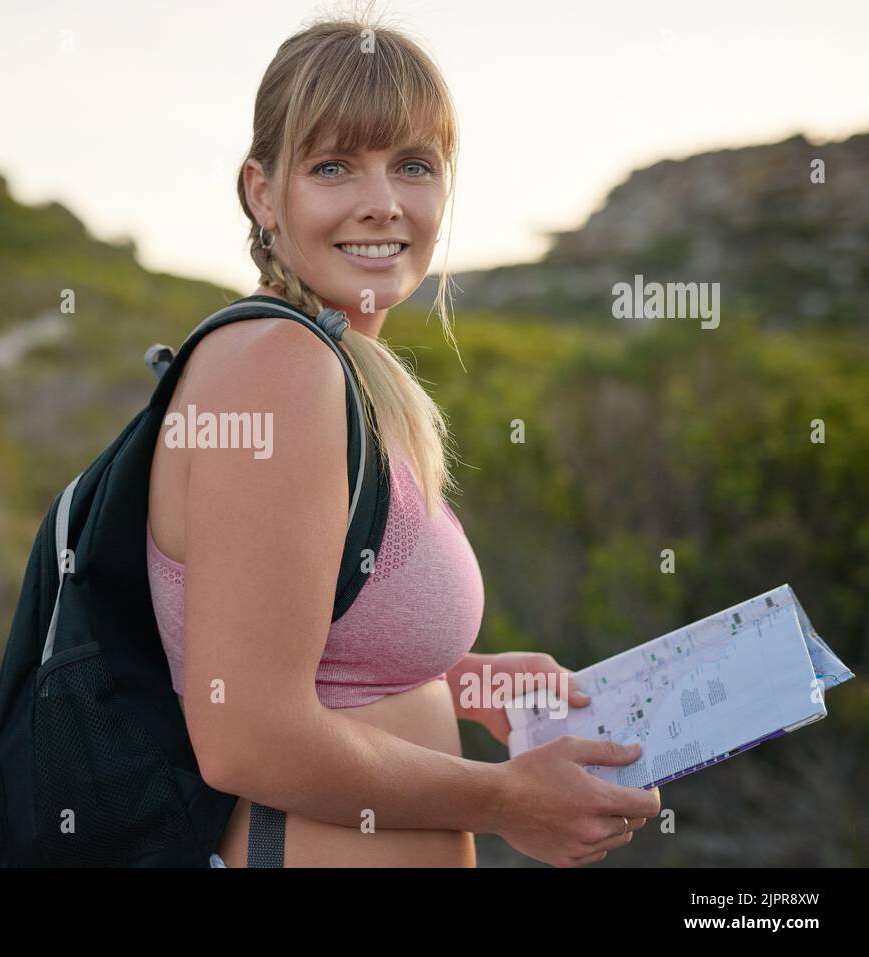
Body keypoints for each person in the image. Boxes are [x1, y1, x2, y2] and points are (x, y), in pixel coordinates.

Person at [145, 11, 659, 868]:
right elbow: (246, 734)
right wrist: (507, 799)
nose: (382, 201)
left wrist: (470, 683)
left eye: (413, 165)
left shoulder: (345, 374)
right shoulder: (279, 370)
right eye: (335, 165)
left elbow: (307, 659)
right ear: (264, 192)